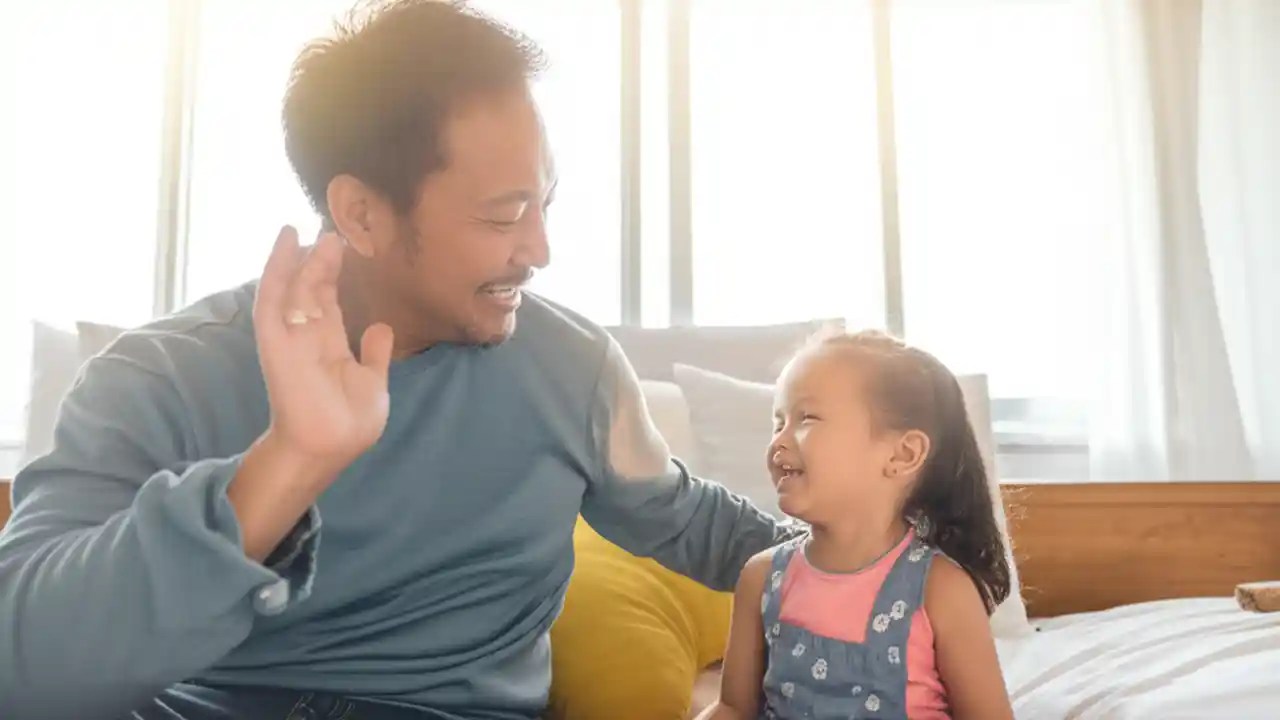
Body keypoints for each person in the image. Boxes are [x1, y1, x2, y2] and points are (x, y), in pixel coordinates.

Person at [0, 3, 798, 719]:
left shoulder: (572, 368)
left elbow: (700, 525)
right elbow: (21, 668)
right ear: (361, 213)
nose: (541, 250)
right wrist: (288, 463)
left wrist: (893, 561)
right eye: (505, 213)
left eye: (543, 202)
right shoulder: (156, 379)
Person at [697, 330, 1015, 720]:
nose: (778, 441)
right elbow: (733, 708)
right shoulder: (761, 578)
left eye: (806, 418)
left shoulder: (941, 590)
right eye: (777, 422)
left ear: (902, 453)